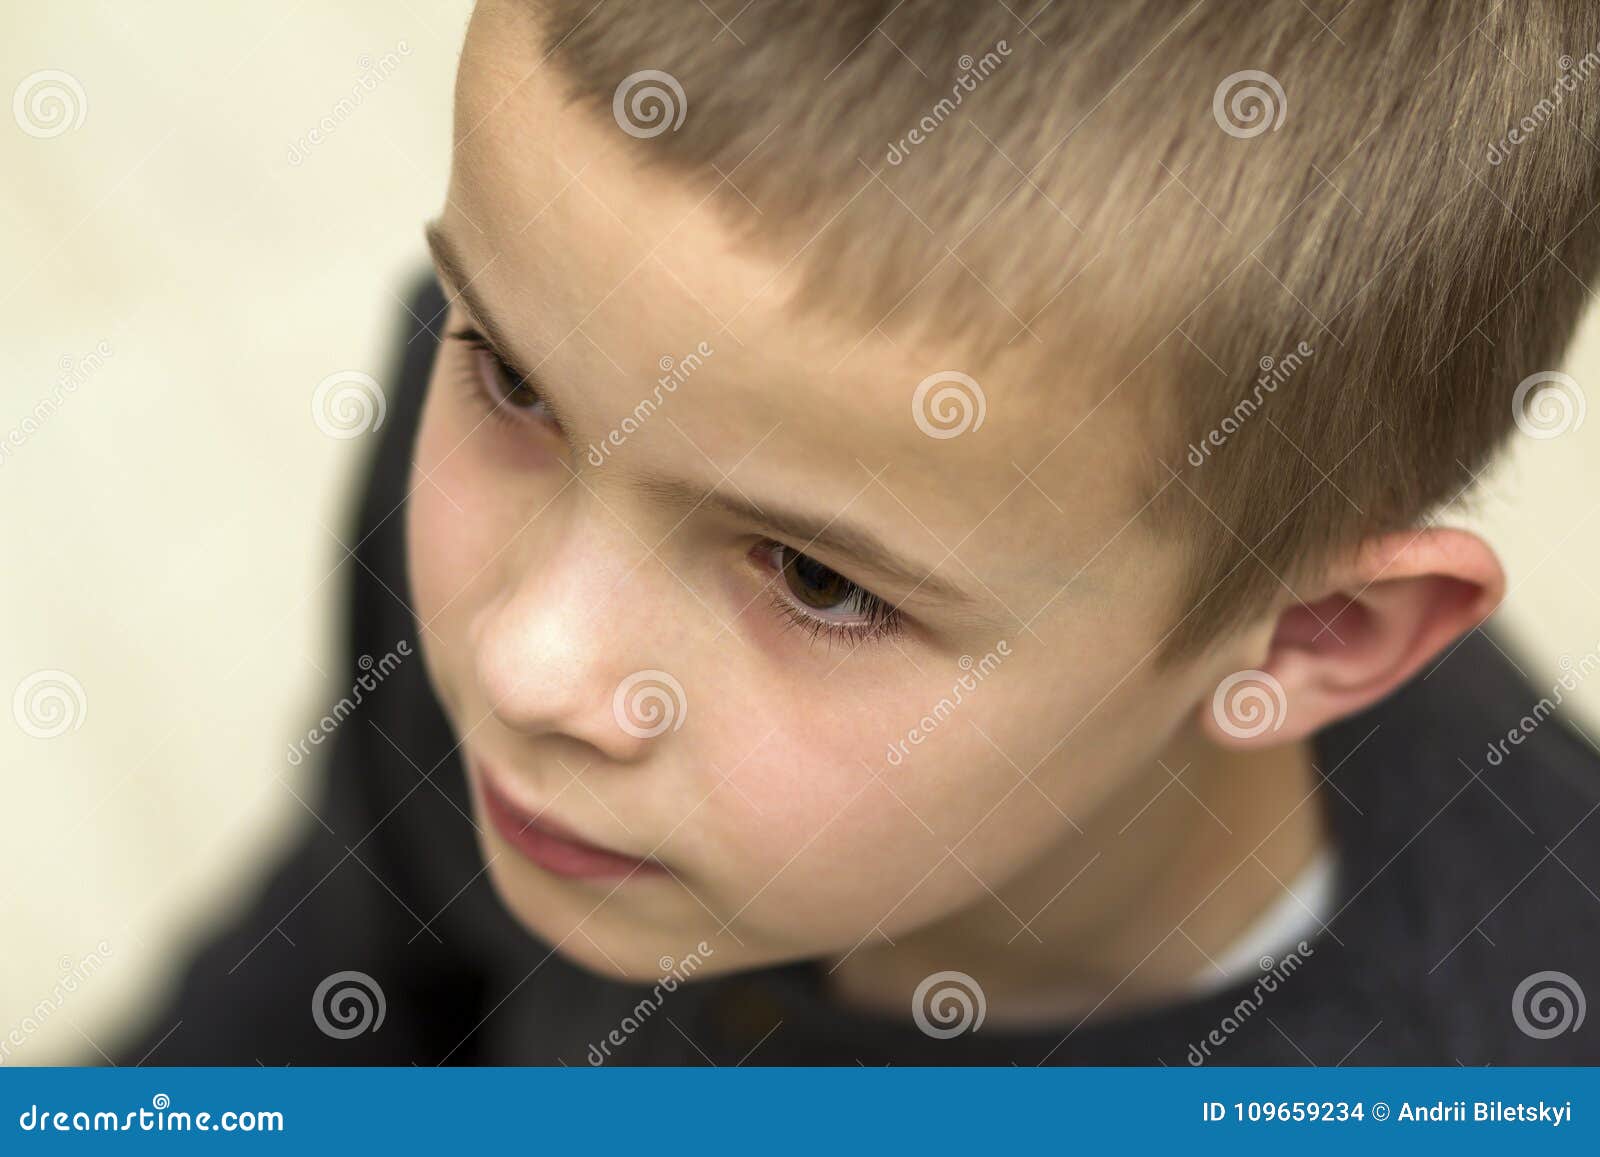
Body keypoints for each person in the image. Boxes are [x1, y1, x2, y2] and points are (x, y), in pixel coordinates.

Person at [117, 0, 1600, 1065]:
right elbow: (347, 966)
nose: (526, 662)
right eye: (510, 379)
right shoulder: (577, 437)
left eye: (818, 580)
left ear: (1312, 636)